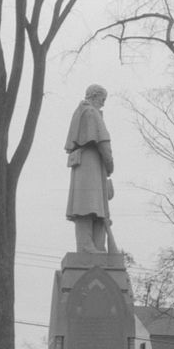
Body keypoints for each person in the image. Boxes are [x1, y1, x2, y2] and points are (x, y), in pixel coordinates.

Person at [65, 84, 118, 254]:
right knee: (88, 205)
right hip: (91, 165)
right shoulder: (90, 112)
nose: (103, 103)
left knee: (95, 207)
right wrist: (109, 164)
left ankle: (96, 245)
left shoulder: (80, 112)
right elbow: (103, 142)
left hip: (88, 165)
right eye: (102, 99)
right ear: (95, 96)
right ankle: (86, 245)